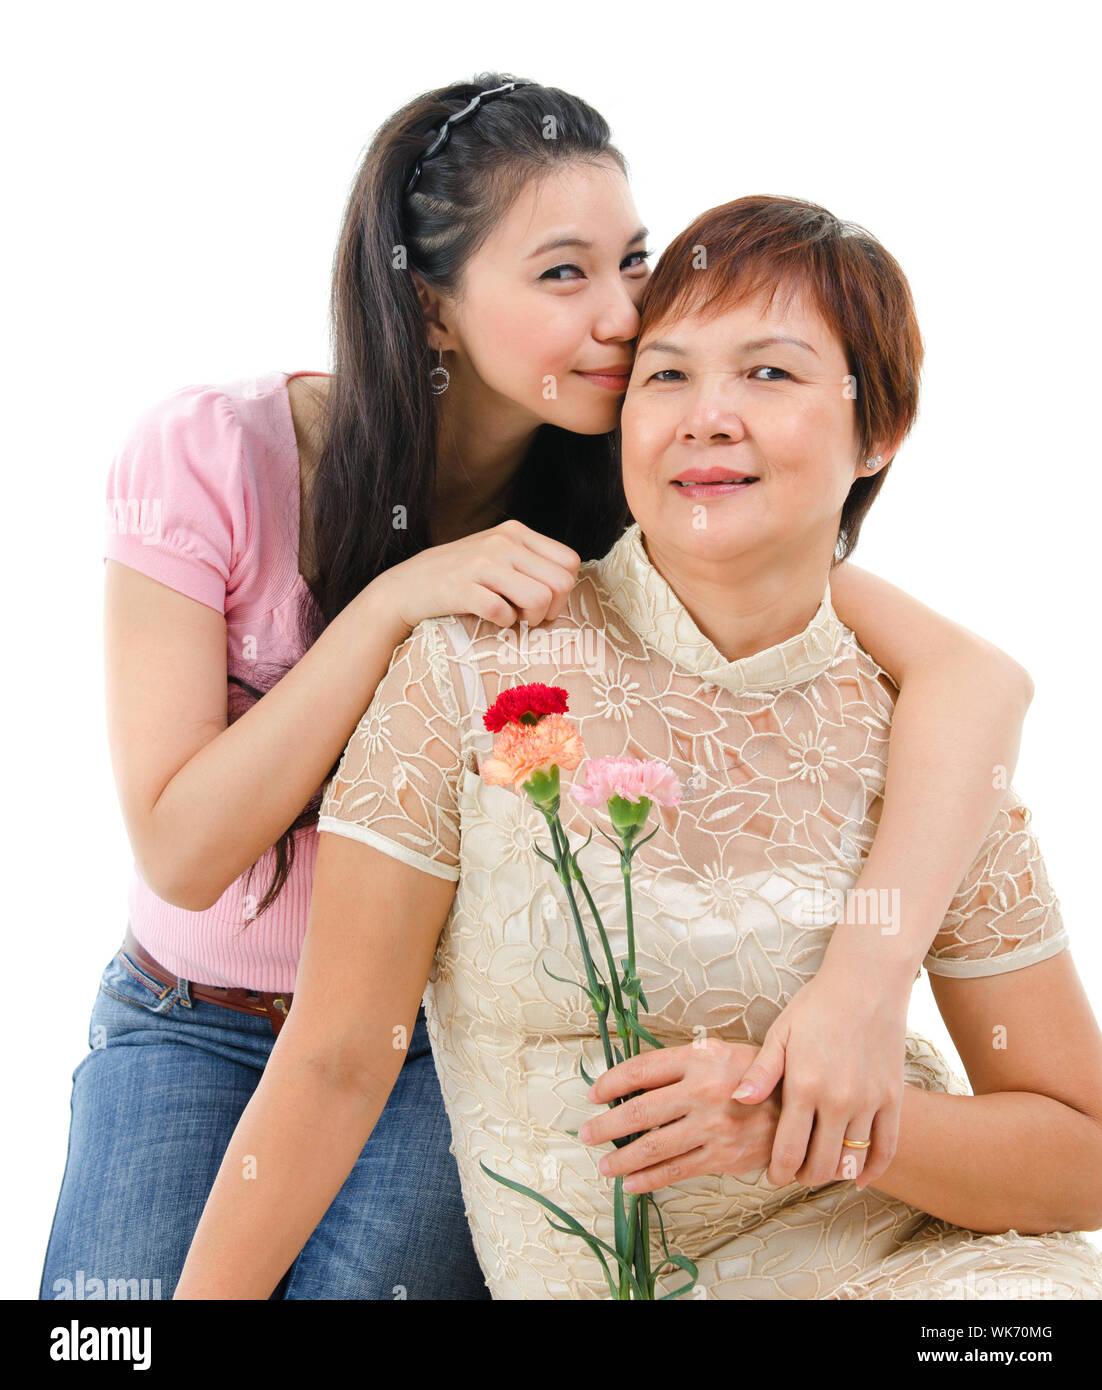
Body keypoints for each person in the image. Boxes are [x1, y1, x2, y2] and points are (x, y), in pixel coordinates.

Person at [172, 193, 1102, 1300]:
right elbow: (331, 1064)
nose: (707, 415)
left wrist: (819, 1125)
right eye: (666, 375)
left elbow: (1079, 1161)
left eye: (768, 373)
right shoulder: (470, 671)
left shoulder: (927, 733)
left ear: (879, 430)